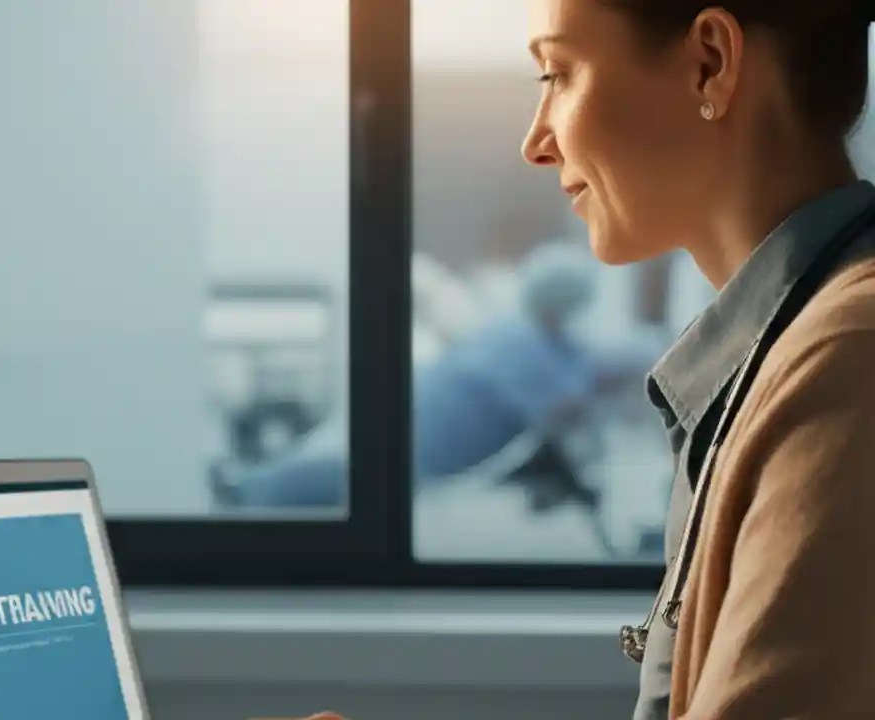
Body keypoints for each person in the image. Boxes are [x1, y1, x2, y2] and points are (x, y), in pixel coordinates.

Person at [304, 1, 875, 719]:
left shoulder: (849, 363)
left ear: (711, 64)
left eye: (559, 72)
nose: (535, 142)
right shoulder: (782, 355)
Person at [210, 242, 638, 517]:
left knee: (338, 470)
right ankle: (244, 491)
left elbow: (584, 369)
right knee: (336, 474)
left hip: (421, 435)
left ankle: (246, 487)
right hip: (421, 439)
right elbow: (565, 407)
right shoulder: (519, 341)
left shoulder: (545, 340)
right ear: (569, 301)